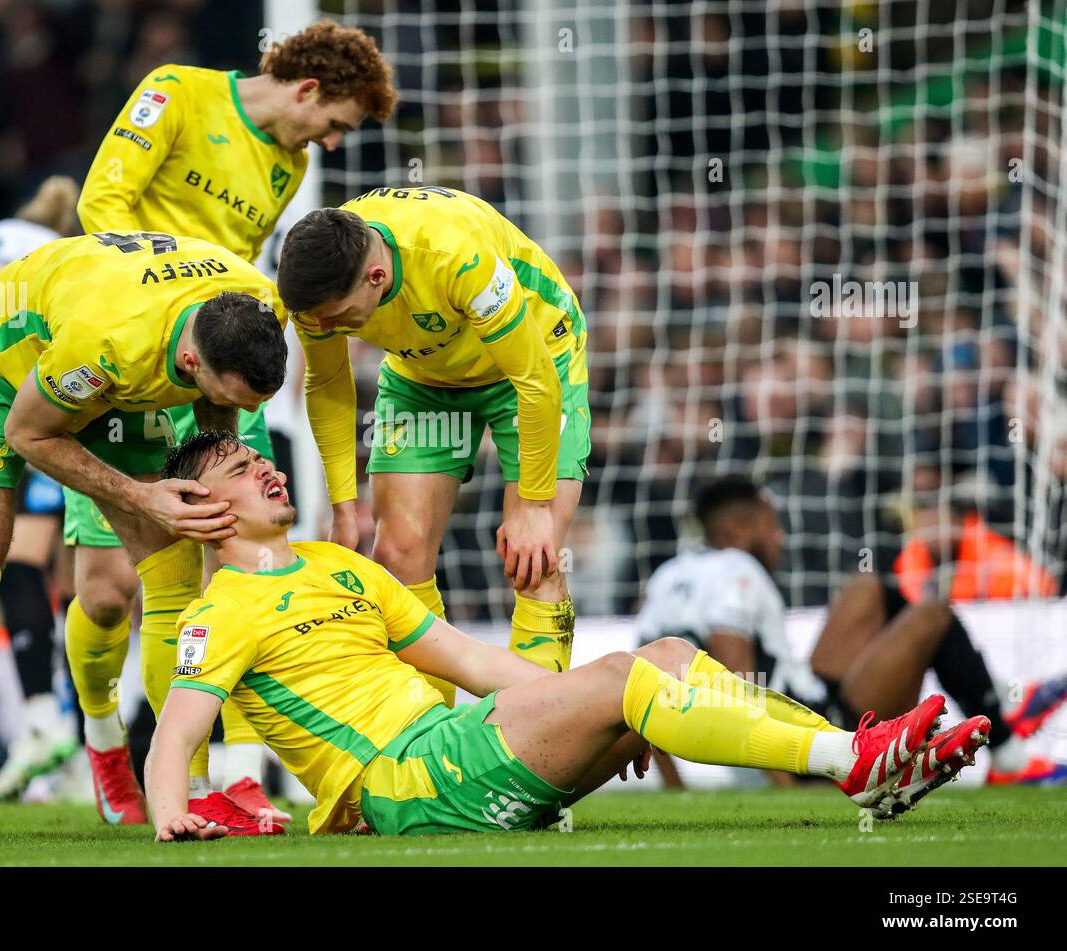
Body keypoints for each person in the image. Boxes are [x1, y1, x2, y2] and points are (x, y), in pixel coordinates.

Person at [143, 431, 991, 840]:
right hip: (398, 783)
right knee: (629, 673)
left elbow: (472, 663)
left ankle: (858, 758)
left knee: (662, 661)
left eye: (259, 458)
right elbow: (176, 733)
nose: (263, 466)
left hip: (452, 753)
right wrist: (172, 818)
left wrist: (582, 706)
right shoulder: (220, 610)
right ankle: (854, 766)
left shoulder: (340, 565)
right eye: (236, 470)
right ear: (203, 511)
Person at [70, 20, 396, 825]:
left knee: (231, 571)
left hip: (213, 371)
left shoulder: (285, 165)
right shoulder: (176, 92)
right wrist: (182, 289)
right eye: (334, 125)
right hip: (130, 350)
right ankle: (104, 738)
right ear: (309, 91)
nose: (327, 143)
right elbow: (98, 204)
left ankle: (223, 776)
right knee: (110, 595)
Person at [0, 232, 287, 846]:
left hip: (118, 372)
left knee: (177, 581)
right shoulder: (109, 340)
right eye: (222, 395)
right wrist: (141, 496)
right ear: (193, 365)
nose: (229, 411)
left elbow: (218, 416)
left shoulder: (261, 303)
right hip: (4, 365)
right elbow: (30, 434)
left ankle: (194, 791)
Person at [277, 186, 591, 697]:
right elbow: (328, 384)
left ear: (376, 277)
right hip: (424, 377)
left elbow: (534, 379)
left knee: (534, 556)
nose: (324, 328)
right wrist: (340, 502)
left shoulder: (456, 257)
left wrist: (534, 506)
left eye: (335, 317)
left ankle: (537, 747)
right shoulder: (318, 281)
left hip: (533, 363)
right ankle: (431, 744)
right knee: (398, 559)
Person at [636, 476, 1067, 795]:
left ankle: (999, 700)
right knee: (932, 616)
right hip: (812, 736)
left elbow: (642, 689)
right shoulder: (739, 572)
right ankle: (1009, 753)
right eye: (770, 525)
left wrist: (674, 789)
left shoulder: (668, 576)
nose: (779, 537)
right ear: (736, 531)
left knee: (867, 589)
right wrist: (786, 784)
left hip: (805, 703)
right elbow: (739, 675)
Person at [0, 177, 85, 802]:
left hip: (26, 406)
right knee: (81, 585)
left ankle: (46, 719)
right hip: (76, 400)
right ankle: (82, 738)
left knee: (24, 565)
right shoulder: (68, 258)